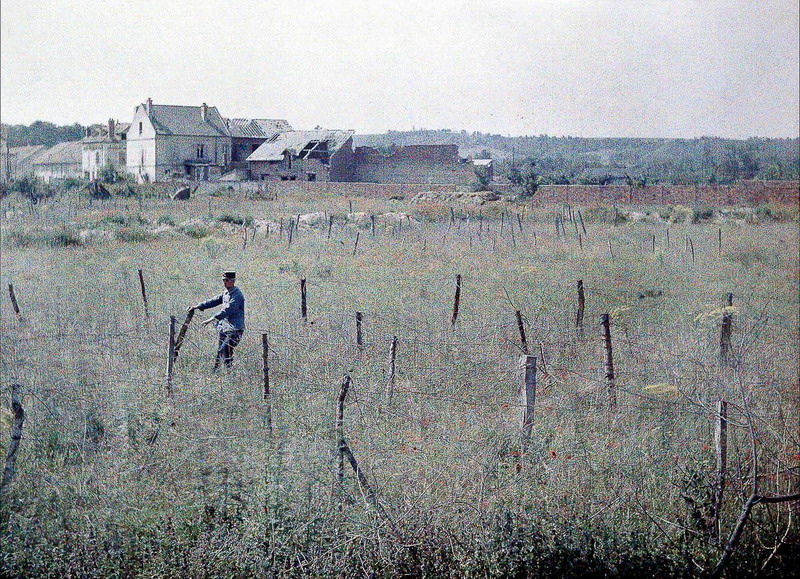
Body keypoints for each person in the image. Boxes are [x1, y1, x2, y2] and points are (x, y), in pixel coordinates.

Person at [188, 271, 245, 371]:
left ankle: (228, 372)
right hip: (224, 328)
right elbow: (214, 301)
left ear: (233, 281)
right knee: (221, 351)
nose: (224, 283)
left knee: (225, 349)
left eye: (226, 280)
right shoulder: (226, 293)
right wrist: (198, 306)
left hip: (235, 329)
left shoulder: (238, 295)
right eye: (223, 280)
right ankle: (217, 371)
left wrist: (211, 319)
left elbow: (228, 309)